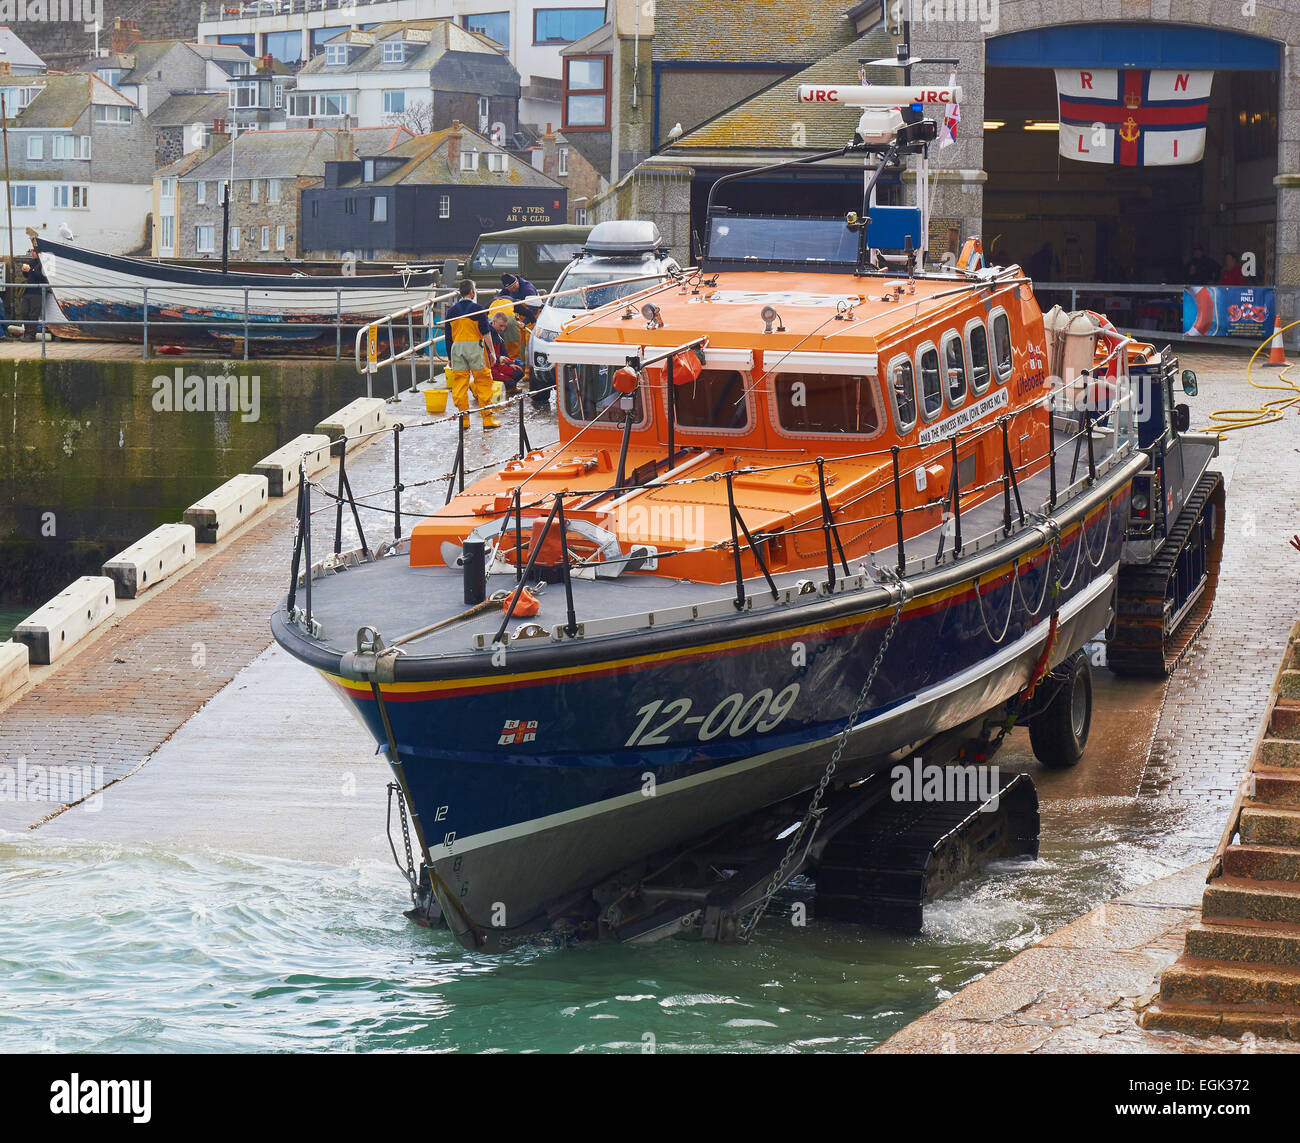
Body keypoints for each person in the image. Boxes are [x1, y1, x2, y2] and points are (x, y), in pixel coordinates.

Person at [443, 280, 499, 430]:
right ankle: (487, 420)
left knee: (460, 384)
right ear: (472, 292)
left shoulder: (451, 311)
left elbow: (448, 337)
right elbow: (486, 333)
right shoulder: (478, 309)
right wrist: (492, 352)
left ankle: (464, 421)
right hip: (474, 348)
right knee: (483, 381)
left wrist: (450, 357)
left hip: (457, 350)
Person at [486, 312, 526, 395]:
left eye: (504, 326)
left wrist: (509, 363)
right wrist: (498, 358)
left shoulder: (499, 335)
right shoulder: (486, 333)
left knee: (519, 369)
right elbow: (484, 355)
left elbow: (504, 352)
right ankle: (503, 386)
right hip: (489, 368)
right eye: (501, 326)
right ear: (494, 322)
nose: (503, 329)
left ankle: (508, 386)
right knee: (510, 382)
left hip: (499, 366)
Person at [20, 250, 46, 340]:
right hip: (28, 291)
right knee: (24, 312)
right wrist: (24, 271)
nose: (32, 253)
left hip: (37, 292)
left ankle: (31, 335)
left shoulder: (43, 263)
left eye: (34, 251)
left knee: (33, 314)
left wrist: (31, 270)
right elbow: (27, 276)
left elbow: (42, 277)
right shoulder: (31, 262)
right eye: (32, 251)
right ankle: (26, 332)